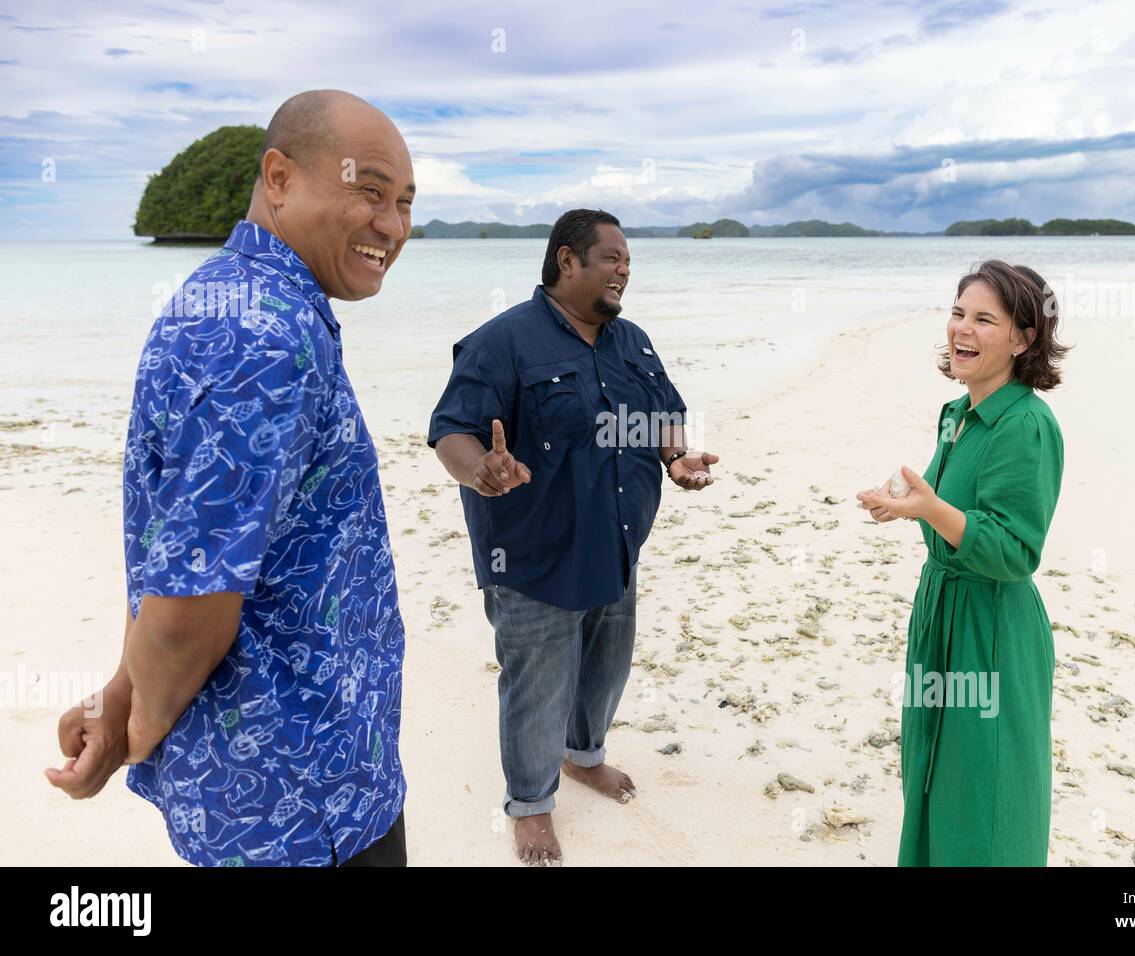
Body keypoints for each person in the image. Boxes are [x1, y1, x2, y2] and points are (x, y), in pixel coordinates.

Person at [45, 90, 417, 867]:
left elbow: (182, 545)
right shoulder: (257, 334)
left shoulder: (246, 304)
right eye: (370, 191)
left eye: (406, 204)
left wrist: (122, 693)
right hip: (302, 809)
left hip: (301, 787)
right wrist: (136, 723)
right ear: (278, 177)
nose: (392, 225)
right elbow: (185, 610)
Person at [428, 209, 719, 865]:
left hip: (616, 544)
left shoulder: (632, 342)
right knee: (536, 685)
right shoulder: (502, 342)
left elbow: (661, 418)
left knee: (605, 668)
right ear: (567, 260)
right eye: (612, 258)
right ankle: (530, 806)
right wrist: (483, 471)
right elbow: (451, 429)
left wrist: (677, 458)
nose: (624, 271)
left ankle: (583, 758)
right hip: (532, 554)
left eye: (628, 262)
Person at [858, 259, 1068, 866]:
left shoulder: (1025, 424)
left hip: (991, 623)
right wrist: (908, 505)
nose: (962, 331)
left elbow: (1013, 550)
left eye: (984, 319)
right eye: (957, 314)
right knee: (930, 769)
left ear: (1024, 338)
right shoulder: (959, 413)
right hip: (940, 609)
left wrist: (929, 511)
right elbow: (950, 505)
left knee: (987, 785)